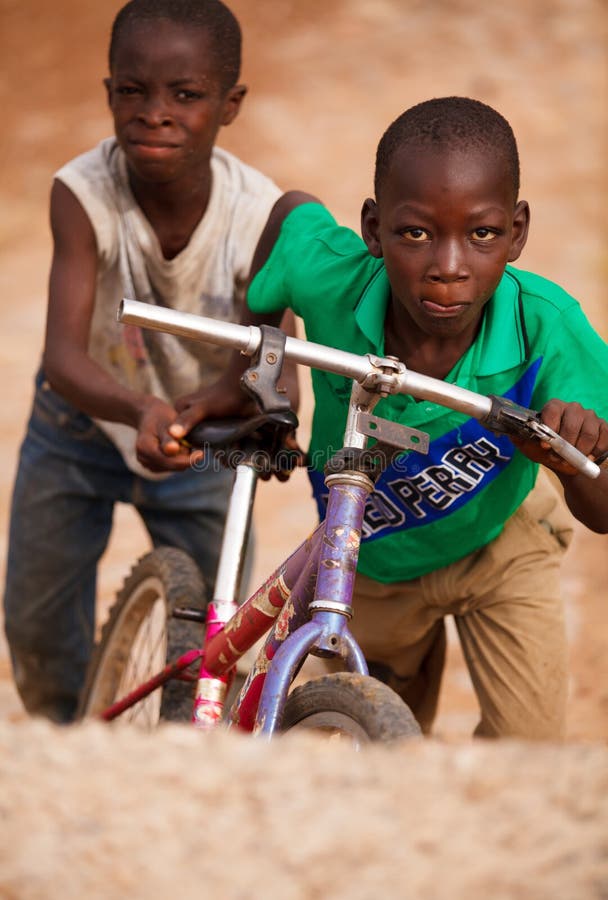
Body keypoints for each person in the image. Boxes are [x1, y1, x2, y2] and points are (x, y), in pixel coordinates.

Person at [178, 96, 608, 739]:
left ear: (517, 232)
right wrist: (254, 373)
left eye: (482, 234)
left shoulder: (547, 328)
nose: (448, 268)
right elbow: (291, 212)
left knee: (530, 749)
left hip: (502, 543)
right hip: (370, 558)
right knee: (375, 744)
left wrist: (574, 466)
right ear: (374, 229)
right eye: (416, 234)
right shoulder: (334, 282)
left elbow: (603, 510)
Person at [3, 0, 297, 723]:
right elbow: (62, 356)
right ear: (109, 94)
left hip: (201, 440)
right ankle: (69, 741)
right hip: (80, 424)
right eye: (132, 91)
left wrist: (254, 406)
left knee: (209, 640)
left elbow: (268, 362)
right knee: (36, 624)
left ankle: (173, 757)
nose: (154, 113)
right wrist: (138, 409)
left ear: (230, 105)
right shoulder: (82, 194)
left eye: (185, 94)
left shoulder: (260, 218)